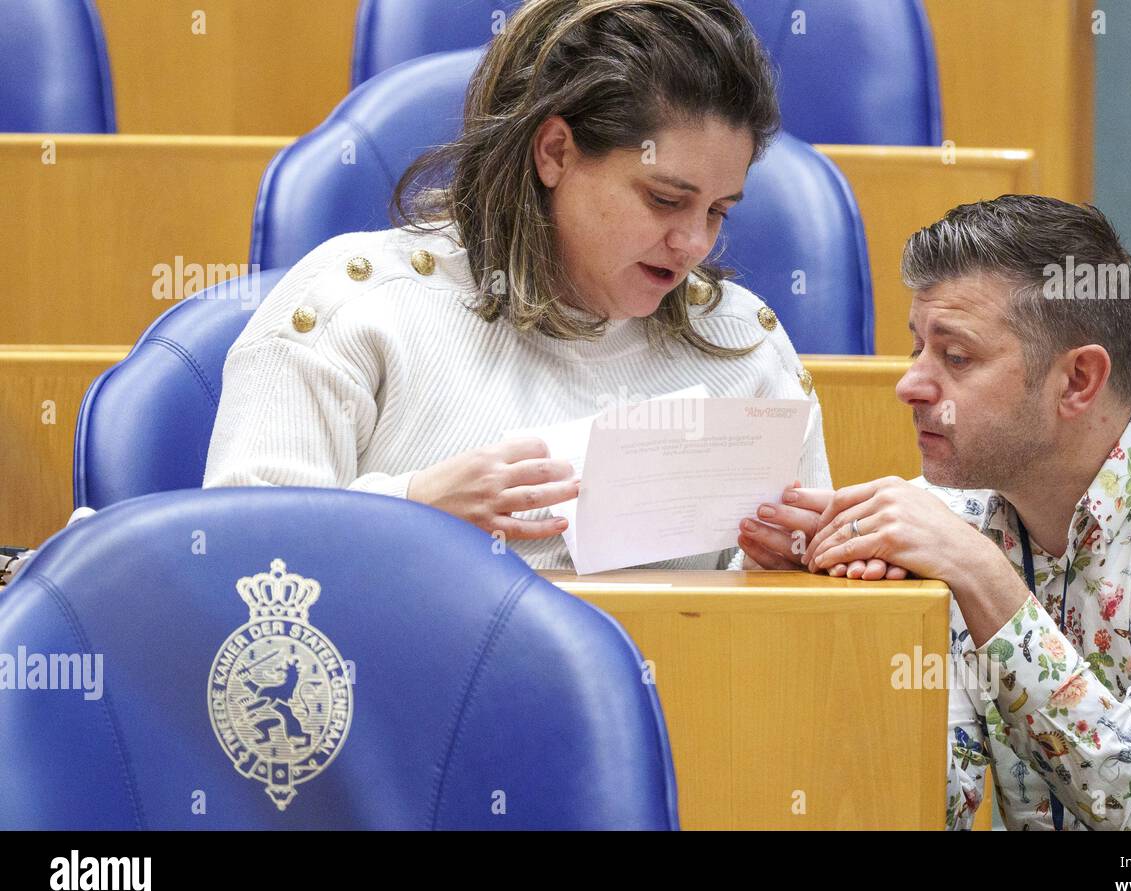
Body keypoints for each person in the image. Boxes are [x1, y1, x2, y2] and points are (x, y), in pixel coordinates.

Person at [202, 0, 830, 571]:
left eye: (719, 210)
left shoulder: (745, 349)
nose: (695, 244)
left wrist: (784, 568)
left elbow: (801, 648)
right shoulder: (354, 307)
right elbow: (237, 562)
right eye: (666, 199)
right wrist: (413, 507)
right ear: (555, 152)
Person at [750, 194, 1131, 829]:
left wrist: (979, 572)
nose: (910, 385)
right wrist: (834, 608)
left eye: (956, 357)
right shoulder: (948, 518)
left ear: (1077, 381)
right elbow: (937, 805)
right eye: (916, 347)